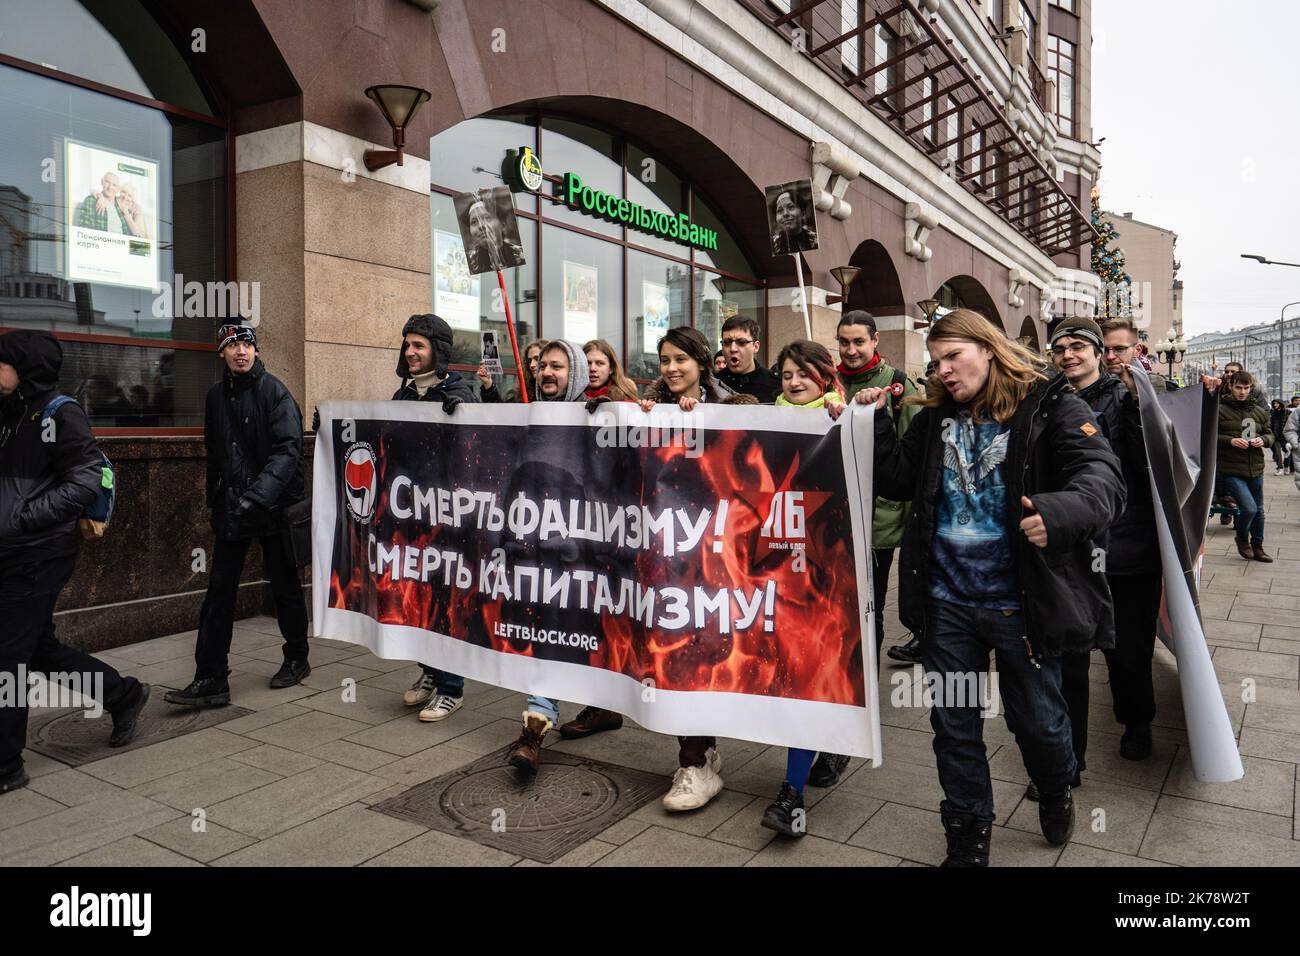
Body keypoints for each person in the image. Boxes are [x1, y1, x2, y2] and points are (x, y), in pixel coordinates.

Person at [830, 308, 1125, 866]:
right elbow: (896, 478)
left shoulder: (1051, 407)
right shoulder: (936, 420)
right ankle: (967, 834)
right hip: (948, 606)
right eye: (935, 361)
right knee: (954, 726)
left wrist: (1058, 513)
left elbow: (1103, 477)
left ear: (988, 349)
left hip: (1023, 606)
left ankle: (1056, 783)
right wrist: (871, 421)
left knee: (1037, 722)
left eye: (954, 356)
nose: (943, 371)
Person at [0, 331, 151, 793]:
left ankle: (6, 765)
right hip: (11, 550)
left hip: (39, 552)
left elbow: (85, 479)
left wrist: (26, 518)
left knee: (7, 658)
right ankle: (122, 695)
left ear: (25, 368)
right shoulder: (8, 410)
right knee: (36, 648)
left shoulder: (61, 413)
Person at [166, 325, 311, 708]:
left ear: (256, 351)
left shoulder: (274, 392)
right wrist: (217, 503)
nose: (240, 351)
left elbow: (288, 452)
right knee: (218, 593)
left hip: (274, 507)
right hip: (233, 509)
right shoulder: (216, 396)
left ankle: (297, 657)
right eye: (232, 346)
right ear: (221, 354)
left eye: (247, 344)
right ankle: (211, 677)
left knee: (284, 585)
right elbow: (214, 454)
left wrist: (258, 496)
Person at [1046, 317, 1162, 789]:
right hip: (1067, 553)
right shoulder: (1047, 402)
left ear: (1098, 354)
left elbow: (1147, 462)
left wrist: (1138, 404)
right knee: (1068, 657)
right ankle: (1068, 759)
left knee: (1127, 650)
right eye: (1060, 348)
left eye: (1078, 347)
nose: (1069, 355)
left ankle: (1137, 722)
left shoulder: (1127, 398)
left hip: (1126, 548)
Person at [638, 326, 734, 811]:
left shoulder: (735, 407)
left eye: (681, 359)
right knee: (677, 654)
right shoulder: (644, 409)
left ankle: (699, 758)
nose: (671, 369)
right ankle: (695, 758)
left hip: (718, 556)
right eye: (664, 360)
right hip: (665, 556)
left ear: (701, 362)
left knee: (705, 652)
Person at [504, 340, 607, 772]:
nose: (547, 372)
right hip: (536, 549)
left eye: (558, 367)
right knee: (550, 634)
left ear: (577, 373)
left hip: (583, 550)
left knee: (584, 633)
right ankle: (535, 726)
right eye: (543, 365)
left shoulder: (601, 417)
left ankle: (602, 705)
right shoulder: (524, 415)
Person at [761, 340, 844, 836]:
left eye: (804, 375)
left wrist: (847, 421)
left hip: (820, 577)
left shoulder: (838, 419)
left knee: (805, 678)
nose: (793, 383)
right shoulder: (760, 421)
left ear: (825, 379)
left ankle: (791, 793)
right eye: (787, 374)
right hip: (766, 573)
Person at [391, 314, 477, 721]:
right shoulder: (404, 396)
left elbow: (479, 450)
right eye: (407, 345)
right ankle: (429, 670)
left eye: (419, 346)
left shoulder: (461, 392)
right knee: (416, 596)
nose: (411, 352)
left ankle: (451, 687)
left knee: (444, 601)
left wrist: (463, 416)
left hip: (449, 520)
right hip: (412, 514)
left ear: (437, 352)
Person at [835, 310, 923, 673]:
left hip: (878, 519)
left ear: (875, 341)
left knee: (869, 603)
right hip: (832, 513)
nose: (851, 349)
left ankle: (866, 679)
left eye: (859, 341)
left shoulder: (899, 385)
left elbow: (909, 456)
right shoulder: (827, 381)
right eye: (844, 341)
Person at [1218, 370, 1273, 562]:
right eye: (1239, 387)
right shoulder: (1219, 409)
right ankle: (1242, 538)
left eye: (1246, 388)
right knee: (1249, 508)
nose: (1242, 392)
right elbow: (1207, 437)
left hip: (1256, 467)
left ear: (1251, 388)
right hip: (1231, 469)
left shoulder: (1258, 411)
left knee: (1259, 510)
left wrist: (1263, 440)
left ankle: (1258, 546)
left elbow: (1270, 434)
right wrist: (1230, 441)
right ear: (1231, 386)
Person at [716, 316, 779, 402]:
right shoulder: (713, 384)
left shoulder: (775, 384)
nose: (733, 348)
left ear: (755, 346)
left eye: (741, 342)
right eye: (727, 342)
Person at [769, 188, 817, 255]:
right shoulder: (772, 245)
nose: (785, 214)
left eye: (791, 207)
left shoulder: (815, 240)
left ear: (803, 213)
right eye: (779, 211)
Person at [1270, 400, 1291, 475]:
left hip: (1285, 436)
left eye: (1277, 403)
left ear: (1280, 404)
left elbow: (1292, 423)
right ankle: (1280, 468)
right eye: (1274, 403)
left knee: (1287, 451)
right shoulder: (1272, 413)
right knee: (1277, 453)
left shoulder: (1287, 412)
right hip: (1275, 436)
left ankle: (1286, 467)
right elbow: (1270, 424)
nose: (1275, 405)